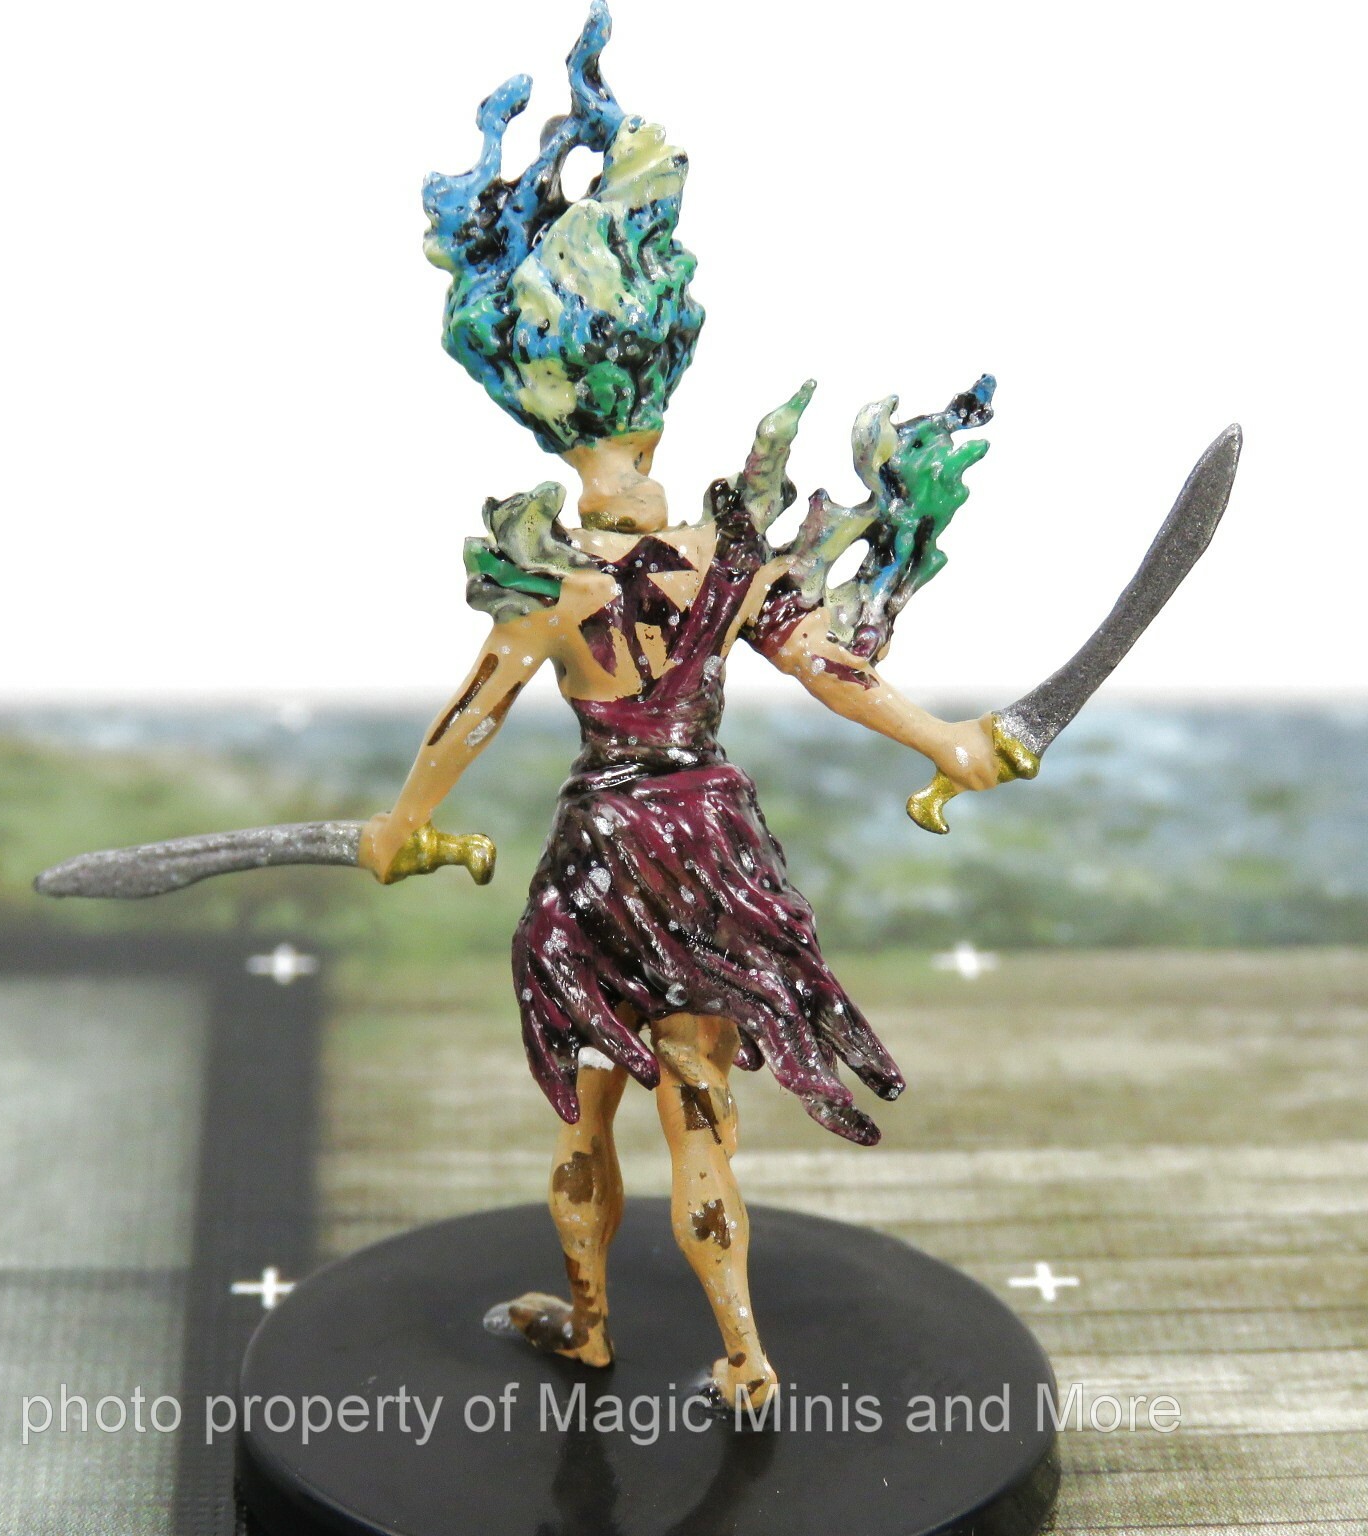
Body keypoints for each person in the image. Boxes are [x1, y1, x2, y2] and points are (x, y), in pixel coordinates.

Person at [358, 2, 1007, 1408]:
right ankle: (745, 1353)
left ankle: (592, 1324)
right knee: (701, 1113)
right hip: (711, 841)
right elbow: (827, 662)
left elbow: (471, 717)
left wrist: (396, 827)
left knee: (590, 1104)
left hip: (604, 852)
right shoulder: (723, 549)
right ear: (662, 372)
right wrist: (949, 738)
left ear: (535, 402)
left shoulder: (550, 577)